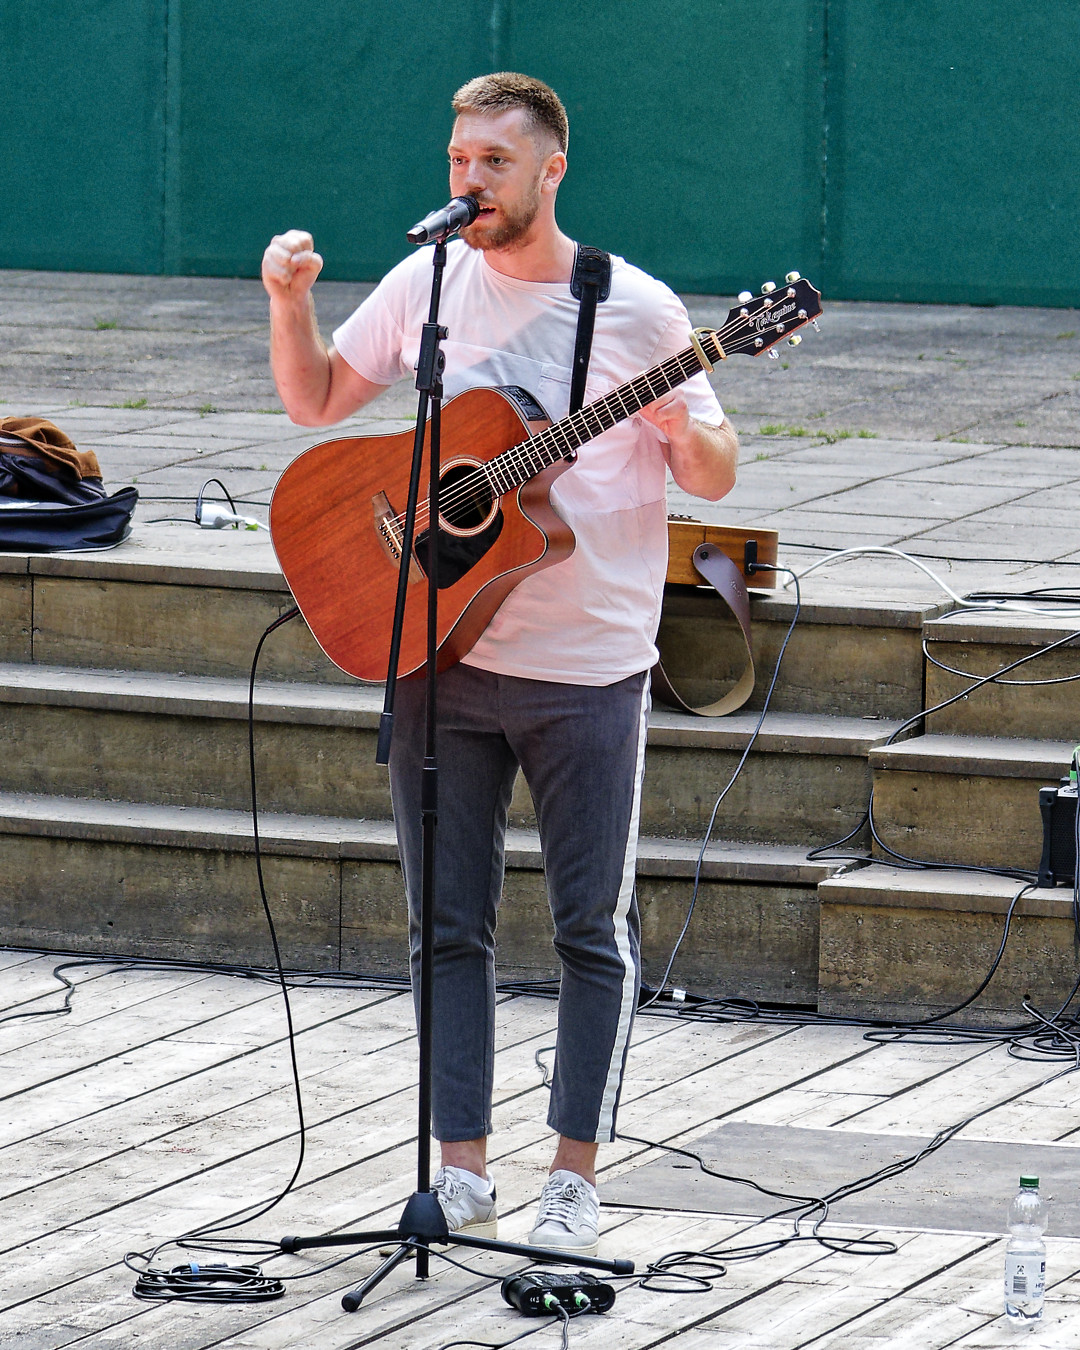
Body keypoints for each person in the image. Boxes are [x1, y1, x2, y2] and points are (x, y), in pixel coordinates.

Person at [262, 72, 738, 1257]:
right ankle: (461, 1170)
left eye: (494, 163)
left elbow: (717, 475)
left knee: (590, 929)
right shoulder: (428, 283)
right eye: (458, 159)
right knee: (446, 926)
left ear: (551, 171)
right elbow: (319, 399)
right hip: (435, 649)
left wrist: (685, 427)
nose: (469, 181)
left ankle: (573, 1178)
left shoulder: (635, 310)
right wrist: (290, 298)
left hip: (586, 668)